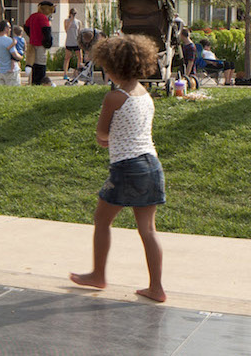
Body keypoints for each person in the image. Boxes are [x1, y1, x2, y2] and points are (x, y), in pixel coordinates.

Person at [69, 34, 168, 303]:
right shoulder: (145, 94)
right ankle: (156, 288)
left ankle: (98, 274)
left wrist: (104, 138)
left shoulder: (114, 97)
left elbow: (102, 132)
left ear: (112, 68)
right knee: (148, 230)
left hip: (127, 166)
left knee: (102, 220)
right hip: (151, 165)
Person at [24, 1, 54, 86]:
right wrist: (47, 42)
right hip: (40, 44)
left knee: (32, 63)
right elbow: (46, 31)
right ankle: (40, 81)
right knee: (41, 63)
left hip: (32, 43)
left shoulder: (32, 16)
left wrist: (31, 35)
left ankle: (32, 81)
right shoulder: (43, 18)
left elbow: (26, 26)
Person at [0, 21, 21, 86]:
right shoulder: (9, 40)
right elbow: (15, 55)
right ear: (6, 28)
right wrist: (21, 56)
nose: (10, 30)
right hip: (11, 72)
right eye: (9, 28)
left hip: (0, 71)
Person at [62, 8, 83, 82]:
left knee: (80, 57)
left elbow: (79, 32)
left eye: (74, 14)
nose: (74, 15)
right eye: (72, 14)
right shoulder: (66, 21)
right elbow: (66, 30)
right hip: (69, 42)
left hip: (76, 42)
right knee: (67, 58)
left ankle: (77, 73)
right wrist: (70, 21)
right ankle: (65, 74)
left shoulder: (78, 22)